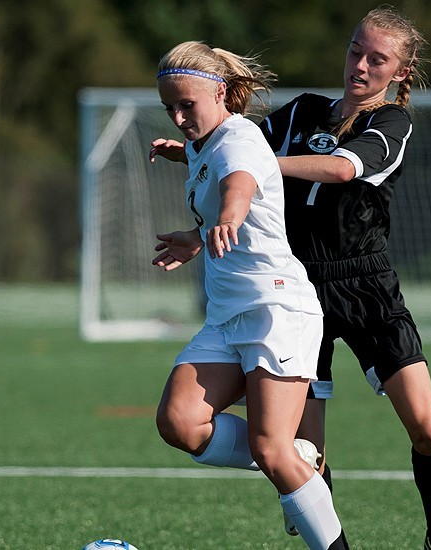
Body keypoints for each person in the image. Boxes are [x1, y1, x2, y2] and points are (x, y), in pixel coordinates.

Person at [153, 7, 431, 550]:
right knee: (300, 451)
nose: (361, 65)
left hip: (363, 286)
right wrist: (199, 160)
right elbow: (233, 148)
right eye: (355, 50)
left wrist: (250, 161)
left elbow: (341, 168)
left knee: (425, 427)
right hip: (298, 280)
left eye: (378, 59)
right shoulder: (303, 112)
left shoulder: (391, 122)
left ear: (400, 71)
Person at [148, 41, 349, 550]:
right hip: (228, 315)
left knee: (270, 447)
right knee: (180, 422)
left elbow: (240, 184)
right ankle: (295, 458)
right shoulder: (202, 143)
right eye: (169, 107)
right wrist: (200, 234)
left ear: (220, 93)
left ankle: (300, 479)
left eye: (186, 105)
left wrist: (229, 217)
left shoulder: (237, 136)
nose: (177, 117)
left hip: (274, 309)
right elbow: (224, 186)